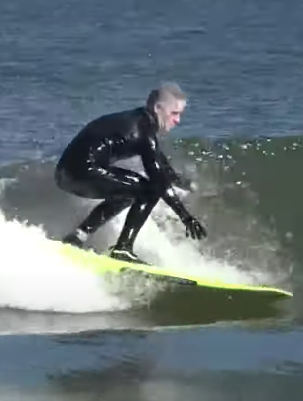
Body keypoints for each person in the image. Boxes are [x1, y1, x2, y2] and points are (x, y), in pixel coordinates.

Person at [54, 81, 207, 264]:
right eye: (174, 113)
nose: (177, 120)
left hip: (66, 173)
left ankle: (77, 237)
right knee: (148, 190)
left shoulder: (138, 122)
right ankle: (123, 249)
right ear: (158, 108)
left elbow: (161, 166)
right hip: (82, 171)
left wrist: (181, 182)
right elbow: (158, 181)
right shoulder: (143, 130)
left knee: (128, 191)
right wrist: (186, 217)